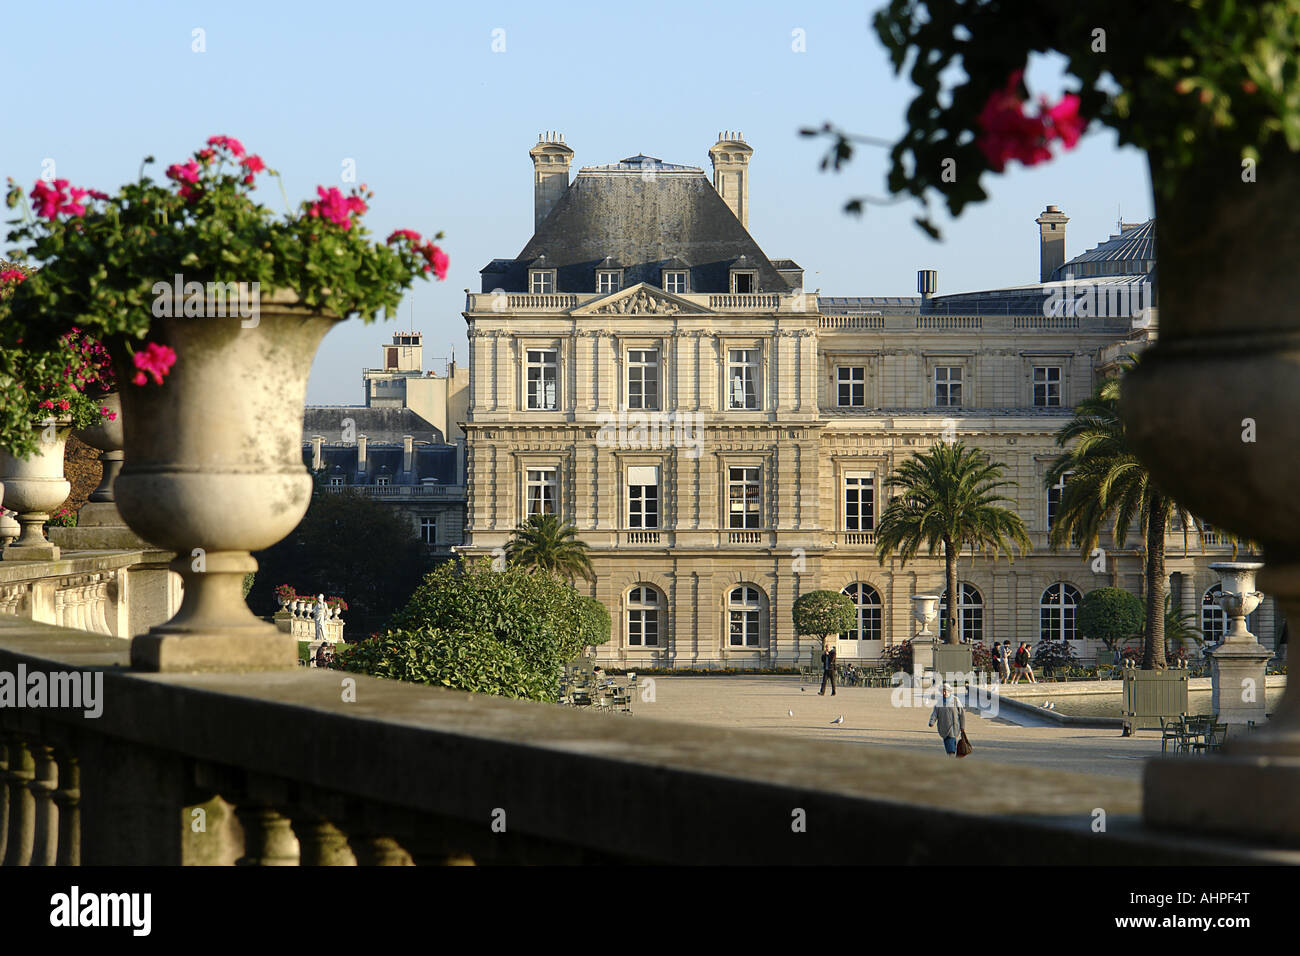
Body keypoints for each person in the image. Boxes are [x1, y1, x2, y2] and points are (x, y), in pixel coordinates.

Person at [928, 683, 966, 756]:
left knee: (951, 741)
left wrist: (962, 727)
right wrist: (931, 722)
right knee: (947, 742)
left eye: (946, 691)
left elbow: (962, 714)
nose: (944, 693)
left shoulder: (955, 700)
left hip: (953, 726)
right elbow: (935, 713)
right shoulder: (939, 702)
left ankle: (951, 755)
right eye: (943, 691)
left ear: (949, 691)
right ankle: (951, 755)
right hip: (943, 727)